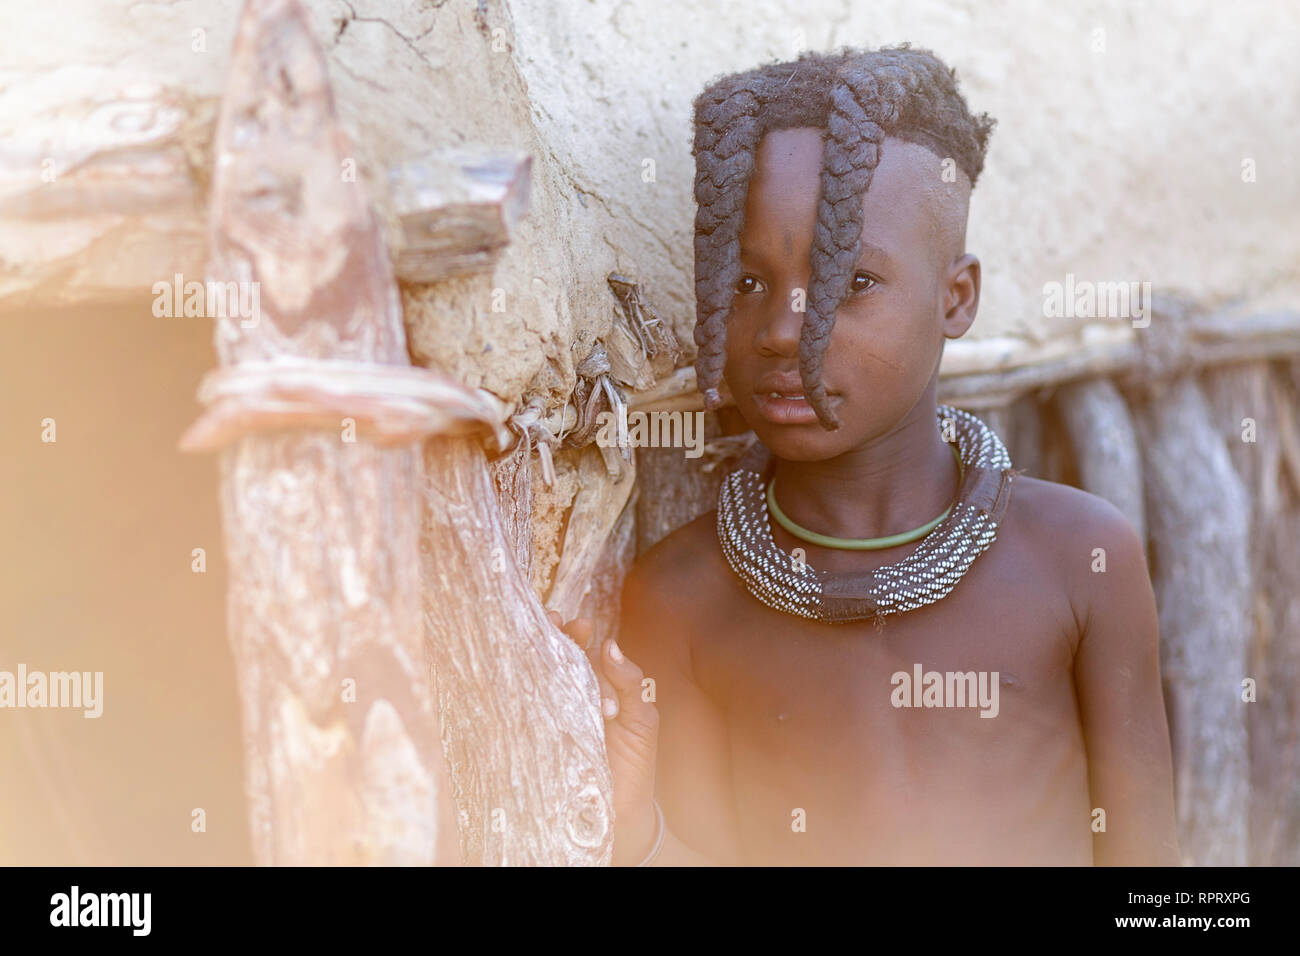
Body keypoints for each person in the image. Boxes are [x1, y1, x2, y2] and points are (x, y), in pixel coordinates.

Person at [560, 44, 1180, 866]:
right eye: (746, 283)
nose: (784, 330)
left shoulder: (1080, 560)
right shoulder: (682, 598)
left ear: (955, 298)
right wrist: (636, 829)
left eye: (849, 284)